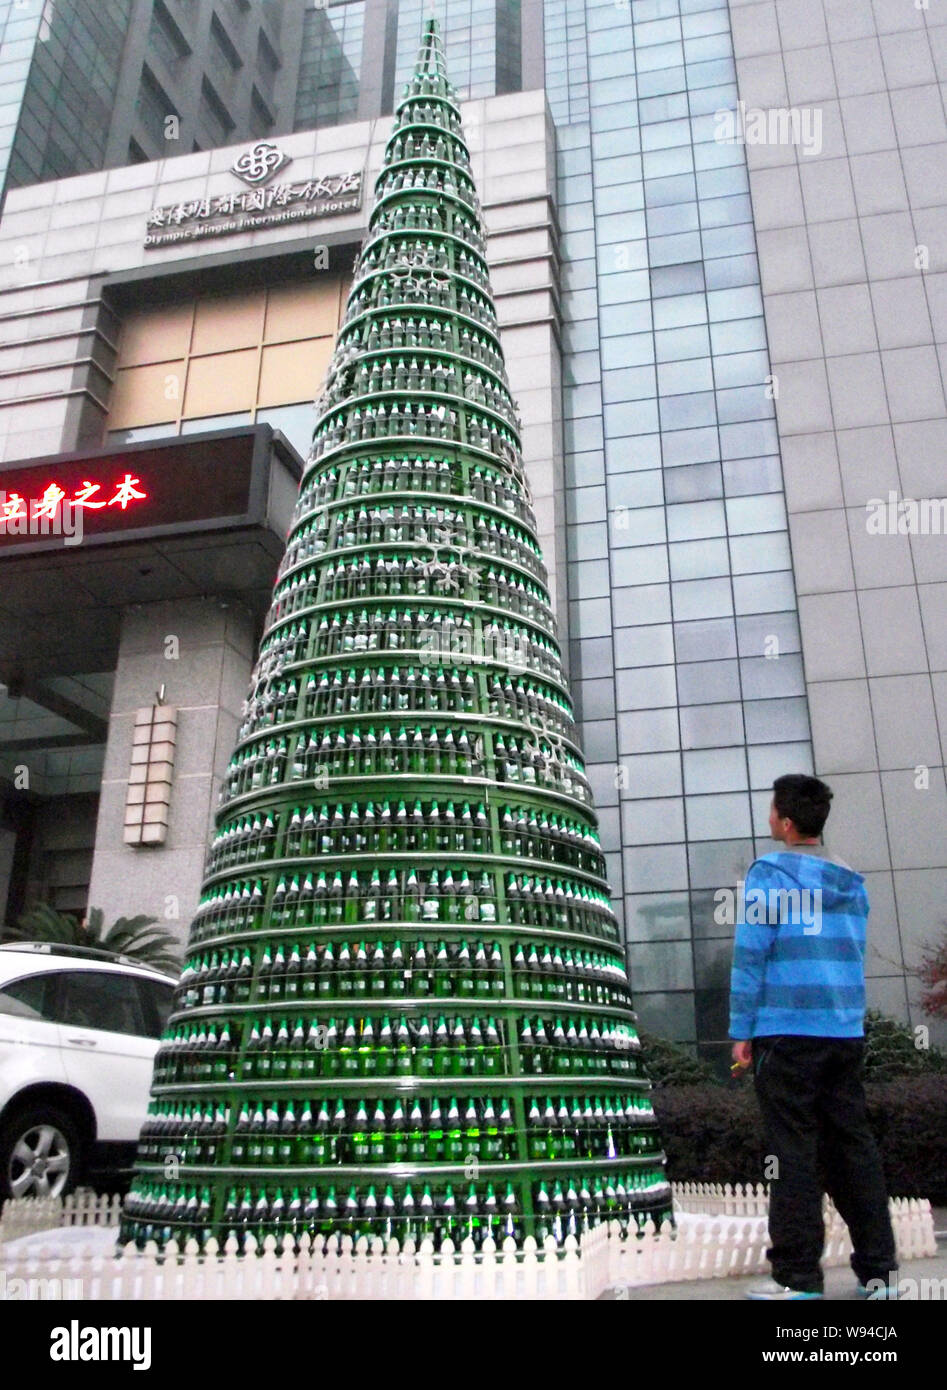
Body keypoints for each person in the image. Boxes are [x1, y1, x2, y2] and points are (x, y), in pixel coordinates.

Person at [729, 773, 899, 1301]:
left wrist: (741, 1031)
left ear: (784, 819)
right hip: (843, 1032)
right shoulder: (851, 880)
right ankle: (880, 1275)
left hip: (784, 1033)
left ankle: (798, 1279)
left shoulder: (769, 873)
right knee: (855, 1150)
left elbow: (750, 955)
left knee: (793, 1154)